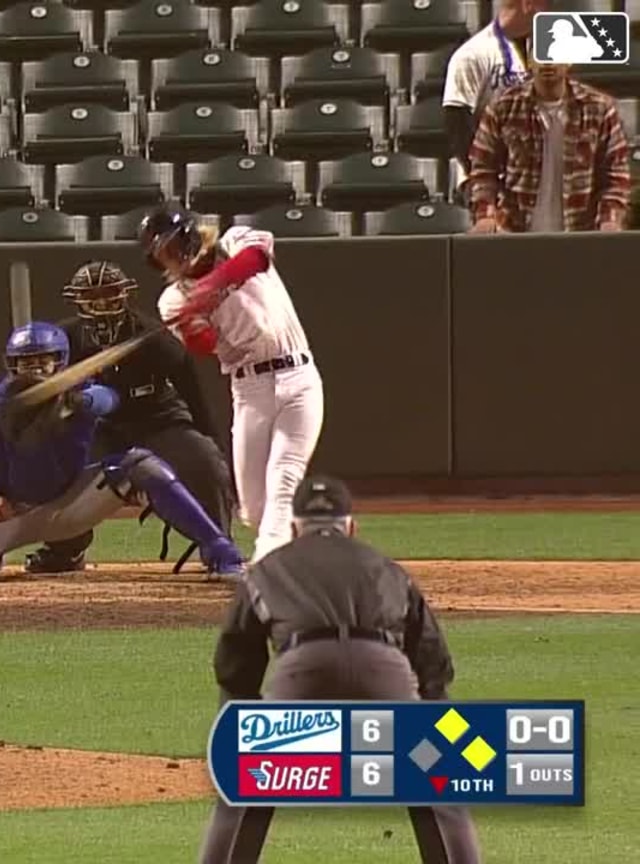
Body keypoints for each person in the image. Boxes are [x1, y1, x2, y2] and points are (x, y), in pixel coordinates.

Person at [196, 474, 479, 864]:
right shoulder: (386, 568)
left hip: (303, 668)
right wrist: (435, 727)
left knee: (247, 782)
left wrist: (239, 731)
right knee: (436, 781)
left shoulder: (268, 568)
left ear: (295, 528)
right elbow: (432, 658)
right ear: (351, 527)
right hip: (384, 667)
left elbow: (236, 660)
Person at [0, 321, 244, 582]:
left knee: (141, 464)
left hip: (73, 503)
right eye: (24, 362)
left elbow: (110, 400)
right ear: (11, 364)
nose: (33, 368)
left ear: (60, 361)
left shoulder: (80, 392)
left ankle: (219, 551)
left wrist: (76, 400)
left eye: (42, 361)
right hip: (12, 509)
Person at [26, 260, 238, 579]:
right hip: (97, 428)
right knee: (55, 466)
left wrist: (212, 441)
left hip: (157, 418)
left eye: (109, 295)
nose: (101, 305)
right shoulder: (64, 339)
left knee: (204, 461)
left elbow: (194, 393)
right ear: (77, 300)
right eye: (92, 298)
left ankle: (218, 545)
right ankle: (65, 548)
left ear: (124, 296)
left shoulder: (154, 337)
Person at [142, 206, 324, 565]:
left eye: (173, 246)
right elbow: (205, 348)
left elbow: (256, 259)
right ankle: (327, 528)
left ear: (190, 236)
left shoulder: (235, 241)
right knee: (254, 511)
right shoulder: (173, 300)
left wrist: (211, 287)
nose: (171, 257)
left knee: (284, 474)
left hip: (298, 377)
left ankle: (267, 560)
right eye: (162, 254)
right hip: (250, 389)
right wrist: (196, 326)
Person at [468, 60, 631, 233]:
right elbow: (483, 170)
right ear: (529, 59)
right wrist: (485, 216)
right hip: (515, 234)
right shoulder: (502, 108)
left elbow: (615, 176)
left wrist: (610, 220)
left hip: (580, 234)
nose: (547, 61)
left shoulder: (600, 108)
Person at [443, 0, 548, 198]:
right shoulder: (472, 54)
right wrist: (484, 173)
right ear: (528, 5)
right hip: (490, 179)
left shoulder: (544, 47)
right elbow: (456, 123)